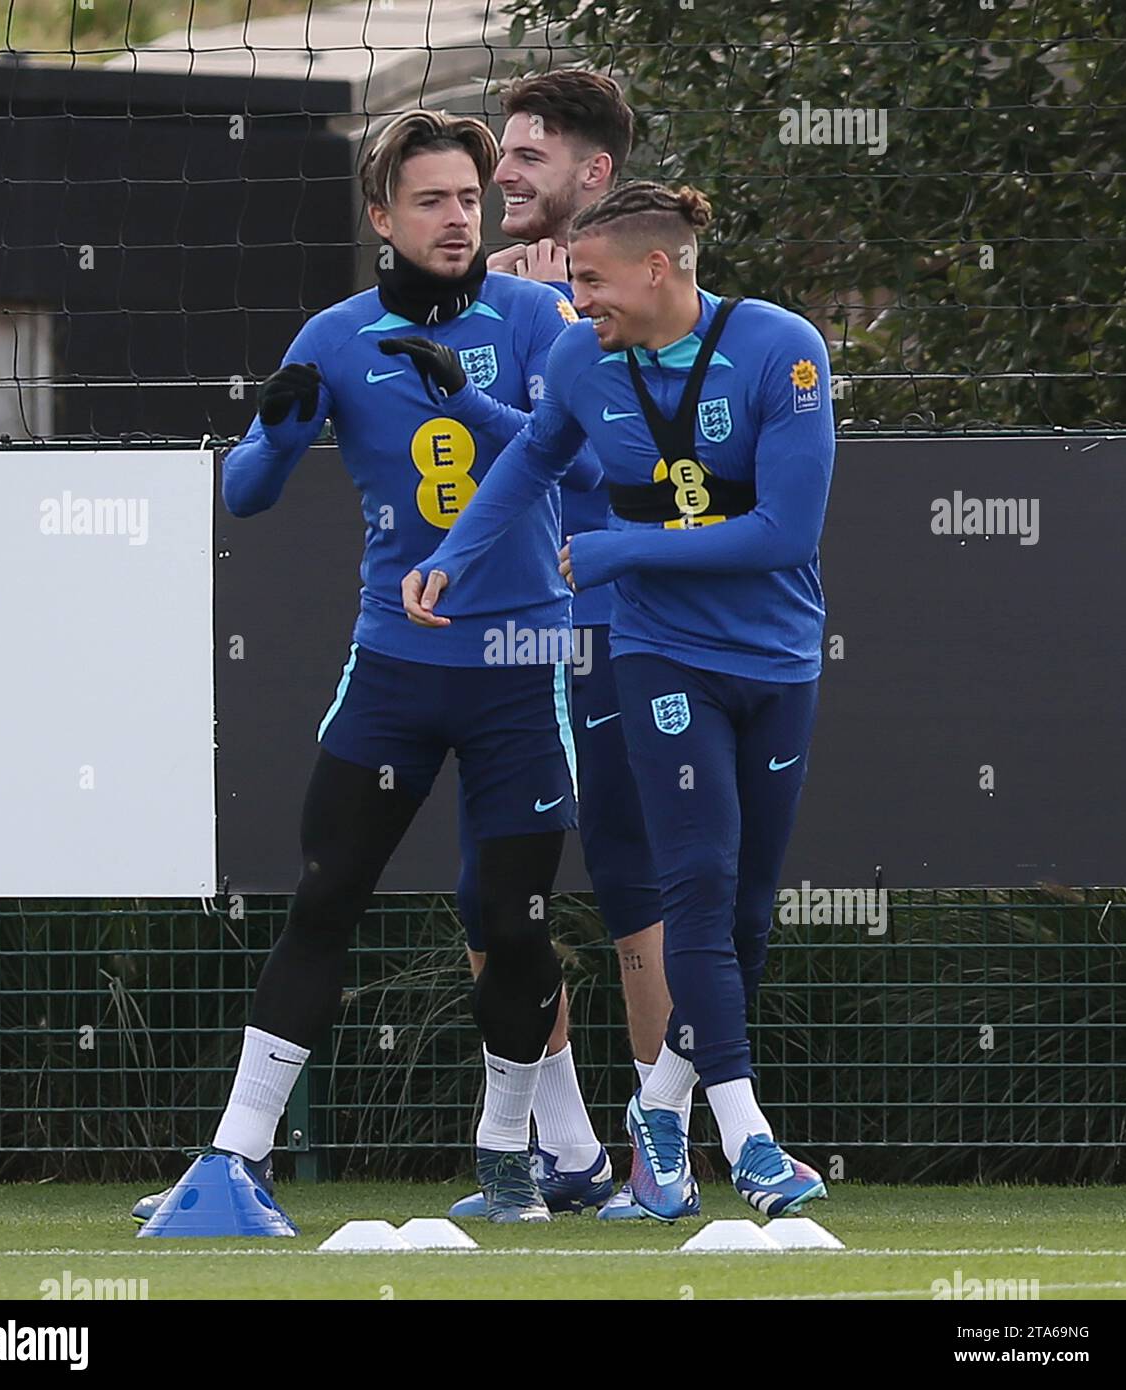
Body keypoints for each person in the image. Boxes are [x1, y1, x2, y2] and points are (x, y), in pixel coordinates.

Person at [134, 109, 602, 1227]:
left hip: (518, 658)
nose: (457, 219)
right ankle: (232, 1163)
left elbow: (574, 468)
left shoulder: (539, 317)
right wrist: (281, 431)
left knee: (515, 920)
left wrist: (469, 401)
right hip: (393, 664)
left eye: (468, 198)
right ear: (381, 216)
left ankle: (510, 1172)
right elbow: (245, 489)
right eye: (432, 201)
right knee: (324, 898)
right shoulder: (335, 335)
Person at [402, 180, 835, 1221]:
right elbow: (529, 458)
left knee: (743, 918)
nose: (574, 298)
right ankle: (752, 1143)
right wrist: (452, 559)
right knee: (692, 883)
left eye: (588, 279)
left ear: (658, 268)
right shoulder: (576, 358)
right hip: (658, 656)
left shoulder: (781, 350)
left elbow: (784, 534)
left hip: (775, 661)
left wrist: (617, 547)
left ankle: (657, 1103)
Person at [449, 70, 688, 1223]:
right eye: (502, 155)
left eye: (526, 157)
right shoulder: (476, 290)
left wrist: (562, 317)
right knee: (494, 899)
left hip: (615, 634)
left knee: (638, 886)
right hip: (502, 641)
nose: (500, 178)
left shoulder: (640, 299)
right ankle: (563, 1148)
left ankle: (662, 1154)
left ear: (593, 174)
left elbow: (607, 467)